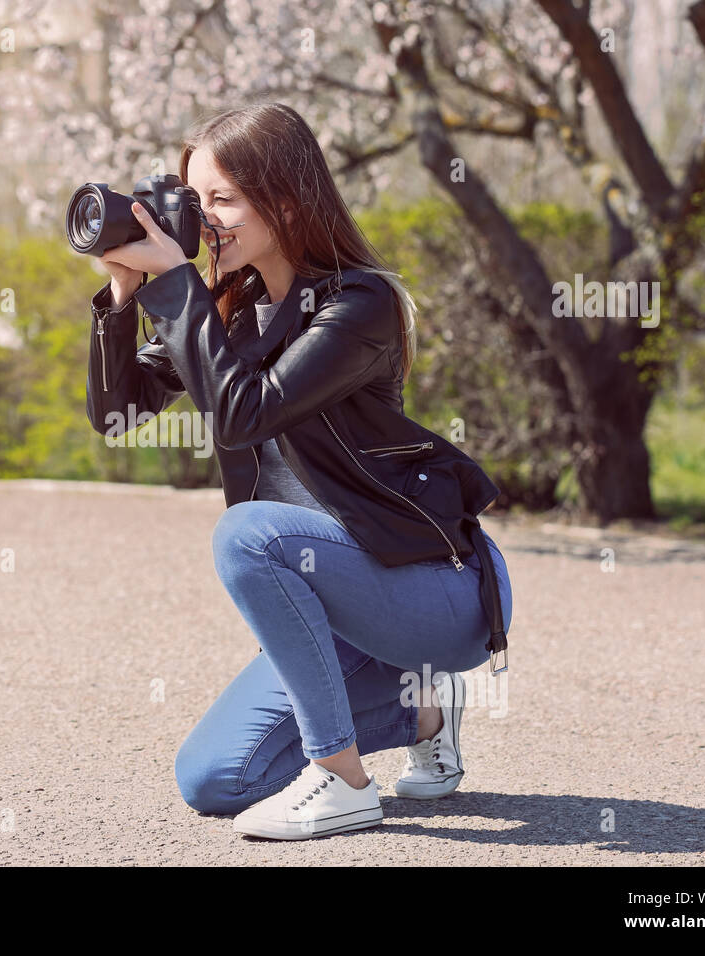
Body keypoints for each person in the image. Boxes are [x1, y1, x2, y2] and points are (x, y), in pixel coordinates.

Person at [84, 101, 514, 840]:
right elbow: (117, 411)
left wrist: (180, 292)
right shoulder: (228, 306)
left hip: (429, 588)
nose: (205, 221)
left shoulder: (360, 302)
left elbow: (249, 411)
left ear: (286, 200)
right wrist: (125, 296)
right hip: (341, 607)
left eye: (223, 199)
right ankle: (425, 708)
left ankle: (344, 782)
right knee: (217, 778)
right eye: (194, 202)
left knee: (244, 534)